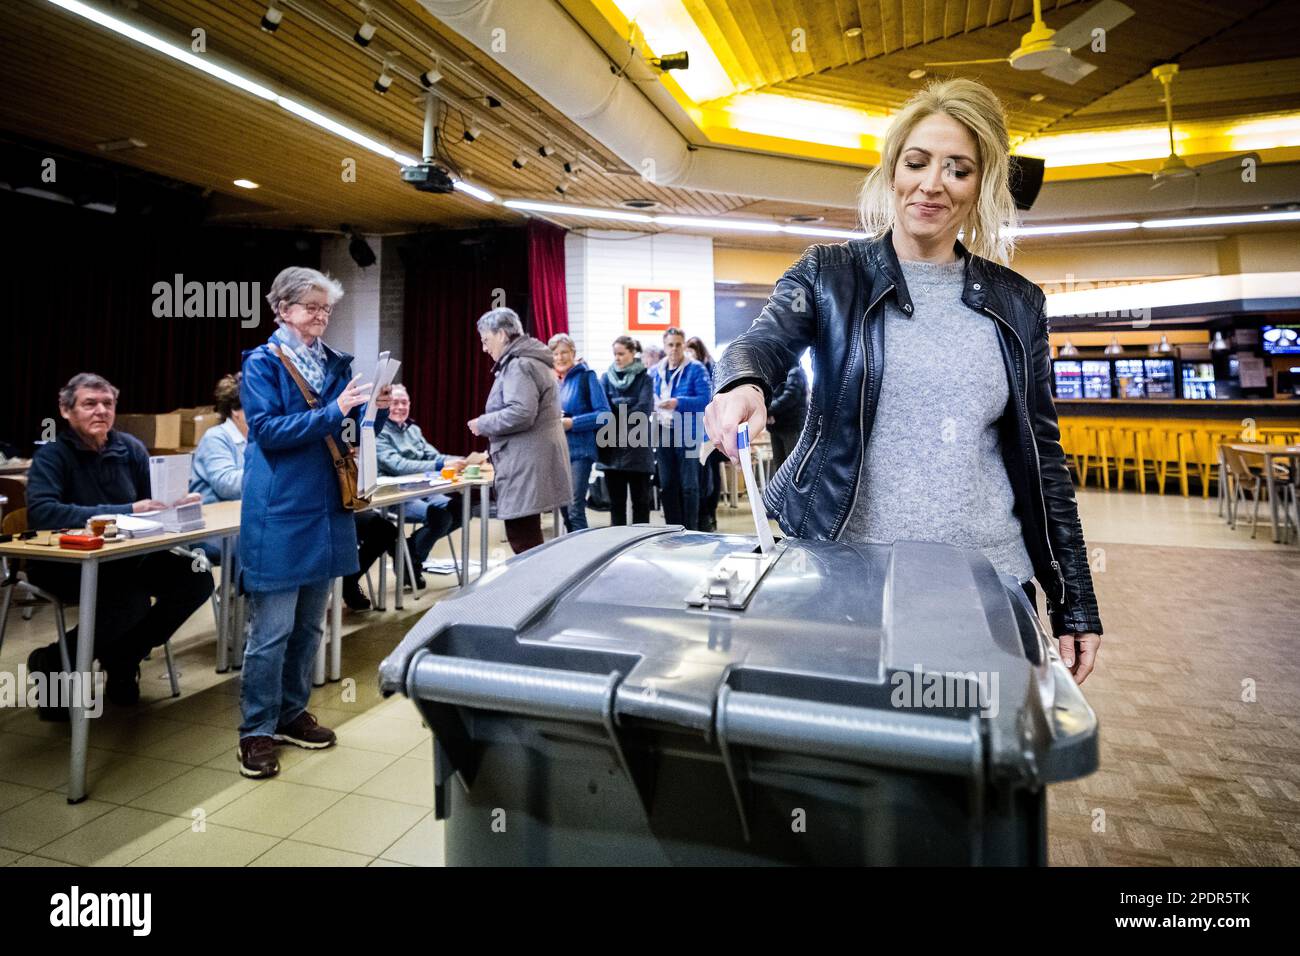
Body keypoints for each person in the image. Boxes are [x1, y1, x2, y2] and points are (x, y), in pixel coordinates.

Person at [705, 78, 1102, 685]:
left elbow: (1043, 457)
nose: (932, 184)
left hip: (986, 576)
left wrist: (1075, 597)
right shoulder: (829, 274)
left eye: (958, 169)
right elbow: (764, 342)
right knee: (846, 748)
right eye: (916, 163)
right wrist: (744, 384)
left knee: (976, 756)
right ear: (893, 172)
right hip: (842, 565)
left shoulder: (1018, 303)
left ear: (981, 187)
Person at [237, 266, 391, 778]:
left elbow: (345, 429)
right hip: (281, 510)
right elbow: (268, 431)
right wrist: (335, 411)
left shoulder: (335, 362)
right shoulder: (262, 363)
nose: (321, 316)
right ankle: (256, 730)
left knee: (309, 627)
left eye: (326, 308)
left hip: (328, 507)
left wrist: (376, 412)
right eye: (311, 307)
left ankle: (290, 713)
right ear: (282, 309)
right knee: (271, 631)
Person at [25, 373, 214, 716]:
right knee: (129, 600)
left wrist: (177, 504)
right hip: (64, 561)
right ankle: (53, 660)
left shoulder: (130, 448)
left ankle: (124, 654)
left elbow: (150, 503)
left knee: (196, 577)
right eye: (89, 404)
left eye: (108, 404)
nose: (101, 411)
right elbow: (42, 513)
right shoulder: (53, 455)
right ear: (66, 411)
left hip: (126, 556)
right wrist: (124, 511)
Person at [468, 308, 571, 554]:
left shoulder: (519, 365)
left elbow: (522, 412)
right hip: (532, 459)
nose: (484, 348)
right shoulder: (532, 361)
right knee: (527, 536)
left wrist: (482, 423)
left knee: (524, 540)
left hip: (525, 462)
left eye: (486, 340)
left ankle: (533, 592)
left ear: (502, 335)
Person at [376, 383, 481, 589]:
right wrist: (442, 464)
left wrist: (463, 461)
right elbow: (398, 466)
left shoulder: (413, 429)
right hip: (395, 494)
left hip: (424, 488)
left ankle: (408, 552)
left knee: (461, 509)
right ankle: (411, 561)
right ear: (386, 405)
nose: (399, 407)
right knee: (439, 517)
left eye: (404, 402)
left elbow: (434, 456)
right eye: (394, 403)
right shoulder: (378, 431)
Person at [650, 327, 711, 530]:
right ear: (664, 346)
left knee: (689, 486)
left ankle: (691, 530)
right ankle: (672, 530)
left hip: (689, 432)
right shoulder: (655, 371)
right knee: (667, 485)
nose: (674, 349)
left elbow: (705, 400)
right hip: (664, 431)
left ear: (684, 345)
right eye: (670, 345)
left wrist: (678, 402)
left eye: (678, 344)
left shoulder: (696, 369)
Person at [549, 333, 611, 532]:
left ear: (573, 353)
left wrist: (572, 423)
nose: (560, 357)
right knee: (565, 509)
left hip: (581, 453)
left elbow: (604, 415)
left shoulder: (587, 376)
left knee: (575, 508)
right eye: (555, 353)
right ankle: (572, 554)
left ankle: (585, 556)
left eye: (564, 352)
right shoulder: (553, 382)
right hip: (558, 452)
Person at [189, 372, 247, 565]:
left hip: (243, 524)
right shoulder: (216, 437)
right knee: (265, 551)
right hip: (212, 531)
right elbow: (227, 485)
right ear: (235, 411)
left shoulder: (258, 440)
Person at [600, 335, 655, 525]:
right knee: (616, 505)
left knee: (641, 504)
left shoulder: (645, 379)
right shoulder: (605, 378)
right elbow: (603, 411)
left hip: (637, 449)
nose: (617, 358)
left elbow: (644, 410)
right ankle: (618, 546)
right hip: (611, 451)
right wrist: (625, 409)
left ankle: (641, 545)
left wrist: (616, 411)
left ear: (633, 353)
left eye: (621, 354)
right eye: (615, 354)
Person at [686, 336, 721, 531]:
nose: (689, 354)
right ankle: (702, 515)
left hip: (711, 429)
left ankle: (710, 514)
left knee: (710, 472)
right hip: (694, 429)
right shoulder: (688, 371)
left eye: (691, 350)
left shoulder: (710, 369)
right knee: (700, 472)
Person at [766, 363, 810, 474]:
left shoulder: (794, 371)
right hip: (777, 425)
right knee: (781, 469)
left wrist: (768, 410)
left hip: (789, 426)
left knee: (793, 468)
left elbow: (790, 396)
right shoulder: (779, 372)